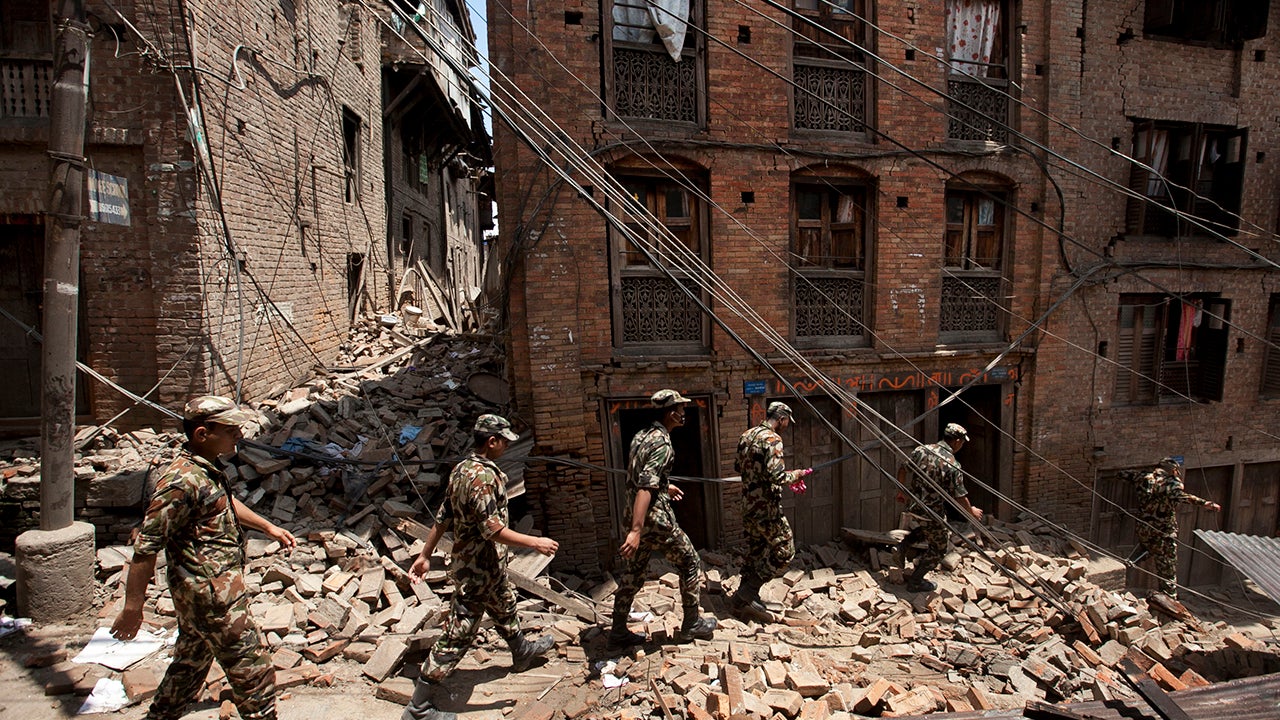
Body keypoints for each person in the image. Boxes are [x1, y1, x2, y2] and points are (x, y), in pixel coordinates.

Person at [111, 396, 296, 720]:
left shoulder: (203, 471)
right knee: (254, 676)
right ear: (202, 434)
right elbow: (147, 545)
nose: (239, 434)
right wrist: (132, 608)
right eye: (231, 428)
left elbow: (220, 503)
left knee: (189, 666)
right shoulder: (181, 481)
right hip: (212, 597)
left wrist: (267, 526)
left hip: (206, 593)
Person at [402, 414, 558, 720]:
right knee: (459, 632)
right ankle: (418, 707)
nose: (506, 447)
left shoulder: (461, 470)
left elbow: (443, 516)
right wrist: (534, 543)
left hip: (484, 566)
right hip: (478, 569)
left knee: (504, 603)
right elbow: (492, 530)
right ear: (492, 441)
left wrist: (424, 555)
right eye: (504, 441)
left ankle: (521, 650)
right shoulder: (484, 478)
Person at [608, 389, 717, 649]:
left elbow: (640, 475)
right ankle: (692, 624)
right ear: (670, 413)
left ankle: (618, 630)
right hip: (655, 520)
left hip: (634, 514)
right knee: (690, 561)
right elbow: (645, 485)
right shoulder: (663, 443)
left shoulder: (640, 437)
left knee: (633, 573)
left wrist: (665, 486)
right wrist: (635, 531)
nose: (683, 414)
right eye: (680, 409)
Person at [730, 401, 812, 622]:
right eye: (787, 422)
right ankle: (747, 591)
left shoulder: (746, 435)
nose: (786, 426)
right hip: (767, 508)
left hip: (748, 506)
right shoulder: (773, 439)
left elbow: (738, 468)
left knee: (756, 551)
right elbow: (777, 476)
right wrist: (797, 474)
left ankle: (741, 601)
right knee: (785, 551)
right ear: (782, 418)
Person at [895, 423, 982, 593]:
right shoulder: (952, 465)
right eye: (962, 442)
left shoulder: (921, 450)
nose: (961, 446)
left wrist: (901, 491)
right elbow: (960, 497)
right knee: (940, 547)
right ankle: (916, 581)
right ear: (956, 441)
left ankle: (903, 546)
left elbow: (902, 469)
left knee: (931, 529)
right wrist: (971, 512)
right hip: (931, 512)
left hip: (914, 505)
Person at [1129, 456, 1220, 598]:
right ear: (1173, 470)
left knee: (1148, 548)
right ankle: (1169, 600)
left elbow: (1124, 475)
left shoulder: (1143, 477)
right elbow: (1181, 496)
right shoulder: (1171, 483)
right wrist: (1205, 503)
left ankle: (1135, 560)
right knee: (1167, 567)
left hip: (1144, 529)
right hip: (1163, 532)